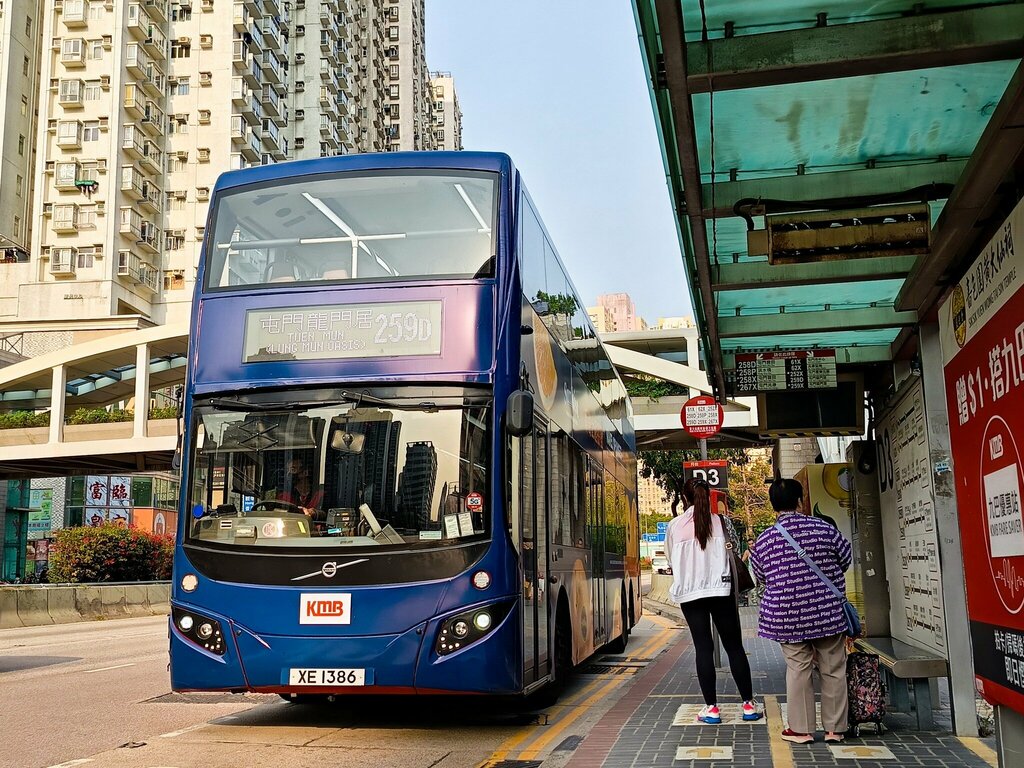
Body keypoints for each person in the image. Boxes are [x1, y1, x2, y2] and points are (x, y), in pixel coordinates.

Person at [751, 478, 853, 745]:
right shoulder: (825, 529)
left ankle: (801, 729)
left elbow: (760, 576)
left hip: (787, 615)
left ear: (773, 505)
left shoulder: (765, 540)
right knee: (833, 668)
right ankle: (835, 729)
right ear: (800, 501)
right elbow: (845, 560)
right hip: (827, 612)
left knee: (798, 668)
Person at [665, 478, 762, 724]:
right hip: (722, 590)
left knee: (703, 649)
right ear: (708, 497)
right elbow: (735, 552)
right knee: (734, 647)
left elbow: (670, 559)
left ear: (684, 498)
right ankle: (748, 705)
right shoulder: (723, 522)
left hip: (690, 593)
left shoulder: (674, 526)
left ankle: (712, 708)